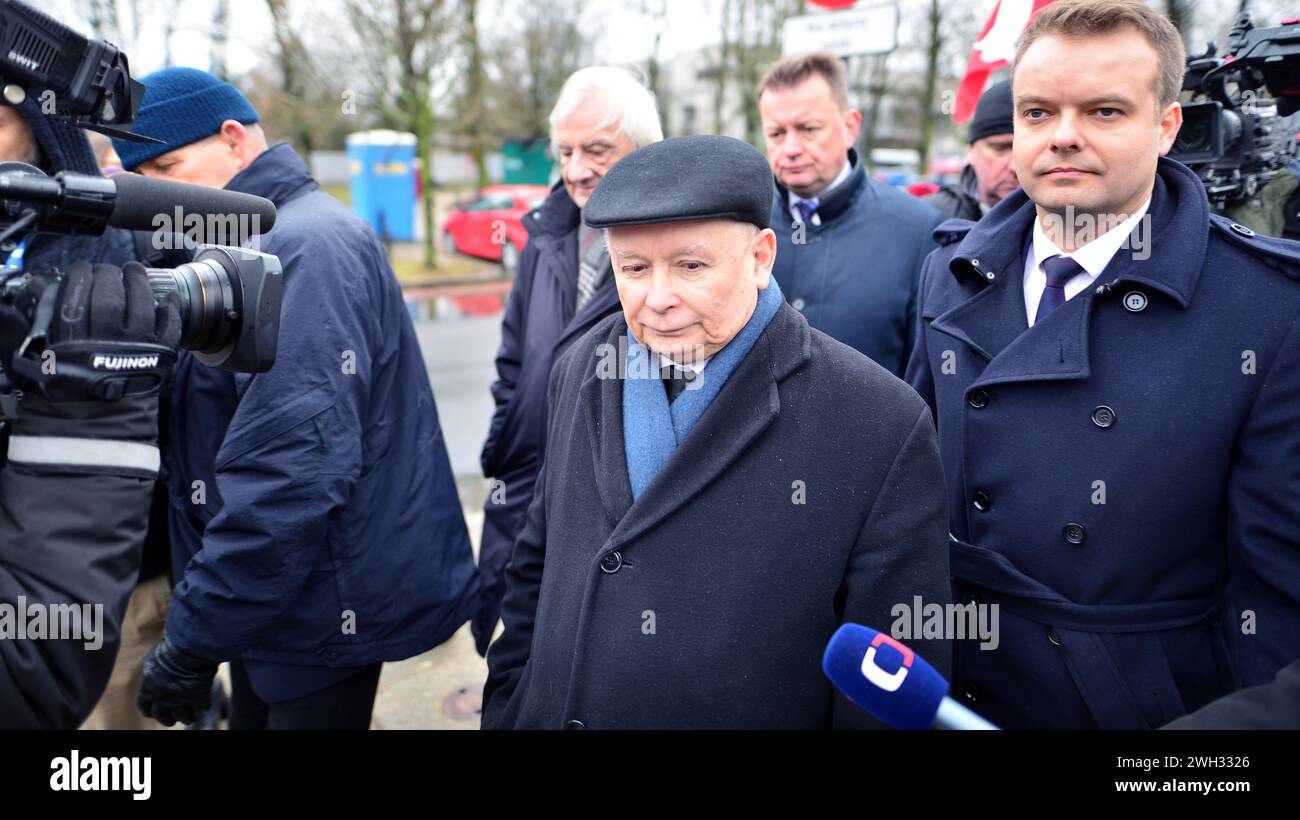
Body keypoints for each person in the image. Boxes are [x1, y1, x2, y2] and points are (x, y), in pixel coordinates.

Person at [905, 0, 1300, 729]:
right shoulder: (949, 272)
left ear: (1167, 126)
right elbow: (911, 506)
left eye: (1105, 112)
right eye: (1037, 112)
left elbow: (1280, 613)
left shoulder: (1269, 309)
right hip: (955, 695)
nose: (1063, 138)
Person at [481, 135, 951, 730]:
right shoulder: (581, 367)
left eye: (690, 266)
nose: (657, 300)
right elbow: (535, 568)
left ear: (760, 257)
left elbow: (884, 687)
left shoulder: (879, 421)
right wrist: (507, 706)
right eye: (633, 268)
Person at [112, 68, 480, 729]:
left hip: (319, 608)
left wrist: (195, 637)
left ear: (232, 139)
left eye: (168, 166)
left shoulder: (301, 246)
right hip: (278, 606)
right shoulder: (233, 242)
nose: (160, 194)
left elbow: (292, 472)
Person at [475, 67, 663, 655]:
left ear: (644, 150)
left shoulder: (676, 250)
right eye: (566, 151)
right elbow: (514, 359)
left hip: (610, 523)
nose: (576, 169)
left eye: (597, 150)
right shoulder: (547, 235)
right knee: (511, 660)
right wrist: (504, 436)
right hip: (524, 490)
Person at [758, 52, 943, 377]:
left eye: (809, 129)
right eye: (776, 134)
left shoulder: (918, 230)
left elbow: (924, 374)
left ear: (850, 127)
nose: (790, 148)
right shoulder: (745, 224)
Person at [923, 79, 1019, 221]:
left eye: (1022, 149)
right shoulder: (928, 217)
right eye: (1000, 148)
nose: (1014, 167)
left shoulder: (1060, 223)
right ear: (972, 151)